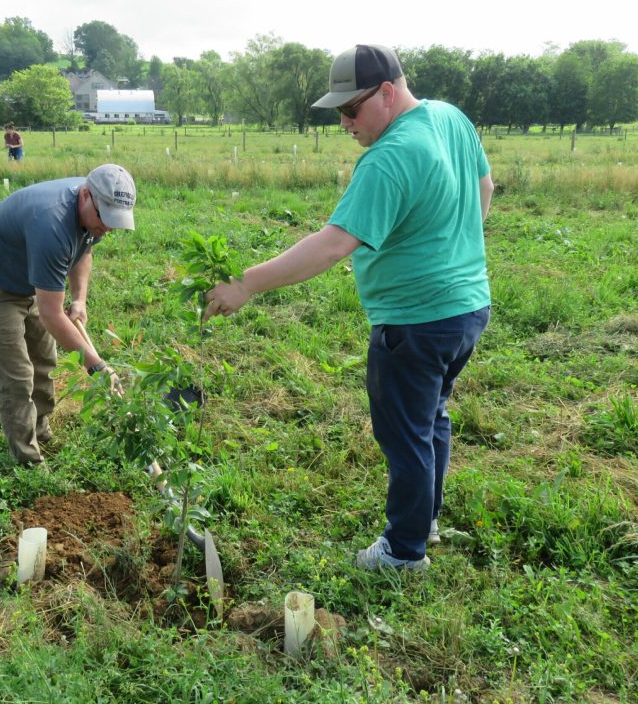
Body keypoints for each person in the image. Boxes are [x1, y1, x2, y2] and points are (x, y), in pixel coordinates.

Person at [204, 45, 493, 572]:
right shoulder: (451, 119)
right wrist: (455, 247)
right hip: (468, 307)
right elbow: (484, 187)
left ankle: (404, 552)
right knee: (432, 418)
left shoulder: (389, 157)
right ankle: (423, 520)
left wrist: (245, 285)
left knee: (406, 435)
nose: (343, 122)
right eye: (337, 111)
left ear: (387, 93)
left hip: (415, 321)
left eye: (351, 109)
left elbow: (334, 243)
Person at [0, 164, 136, 468]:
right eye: (106, 218)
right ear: (87, 196)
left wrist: (79, 299)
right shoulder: (51, 223)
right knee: (16, 375)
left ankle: (40, 430)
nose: (109, 227)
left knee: (44, 360)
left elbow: (85, 249)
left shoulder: (96, 212)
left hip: (29, 281)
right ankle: (28, 461)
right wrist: (97, 367)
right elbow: (52, 314)